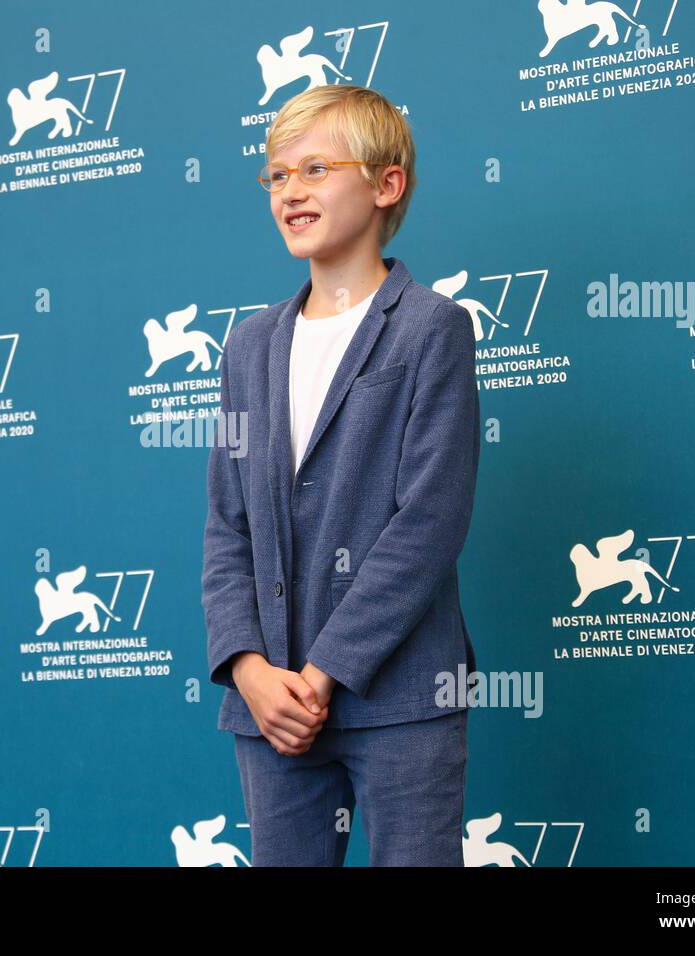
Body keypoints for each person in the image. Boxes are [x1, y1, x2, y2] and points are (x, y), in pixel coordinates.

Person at [201, 84, 480, 866]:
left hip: (400, 699)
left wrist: (324, 674)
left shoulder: (433, 329)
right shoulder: (246, 349)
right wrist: (249, 669)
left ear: (386, 184)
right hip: (269, 711)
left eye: (317, 168)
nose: (292, 190)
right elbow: (229, 527)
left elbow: (428, 522)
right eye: (277, 175)